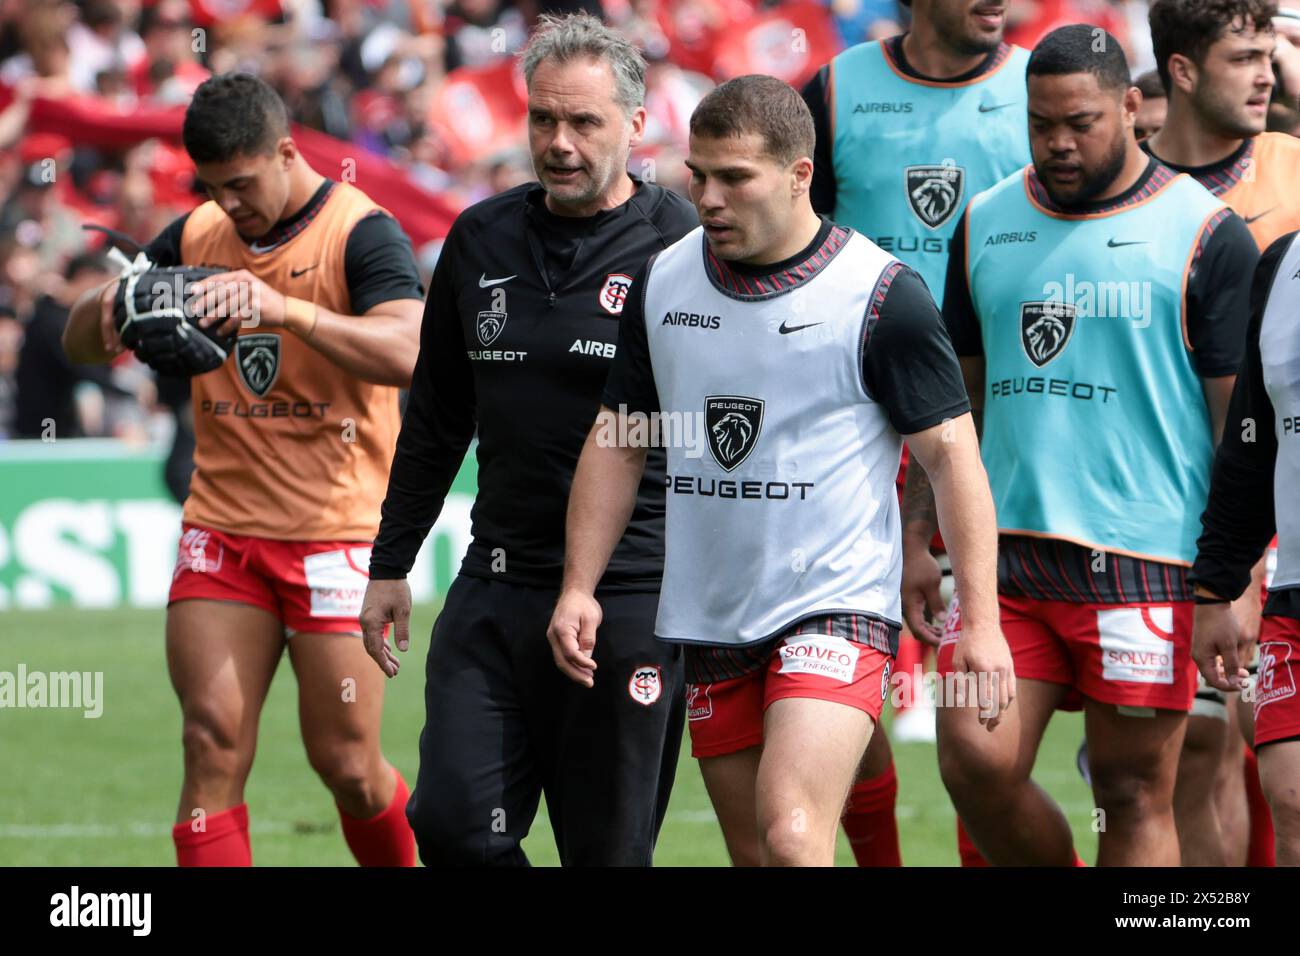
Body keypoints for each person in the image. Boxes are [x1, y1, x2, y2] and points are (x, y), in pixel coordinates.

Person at [547, 74, 1014, 867]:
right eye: (698, 175)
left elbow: (953, 458)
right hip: (710, 614)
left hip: (835, 607)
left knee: (794, 835)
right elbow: (621, 440)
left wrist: (985, 622)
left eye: (735, 176)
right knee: (761, 855)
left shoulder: (880, 295)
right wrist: (578, 586)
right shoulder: (663, 281)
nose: (709, 196)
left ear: (800, 174)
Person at [907, 25, 1259, 865]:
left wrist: (1233, 578)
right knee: (970, 759)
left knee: (1133, 795)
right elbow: (955, 406)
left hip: (1149, 561)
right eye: (1041, 123)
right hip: (1006, 564)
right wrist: (923, 534)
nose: (1059, 142)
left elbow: (1238, 430)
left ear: (1133, 108)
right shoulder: (985, 220)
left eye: (1083, 121)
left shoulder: (1207, 233)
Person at [62, 72, 426, 867]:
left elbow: (411, 351)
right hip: (222, 536)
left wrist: (283, 309)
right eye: (213, 188)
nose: (229, 204)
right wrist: (119, 306)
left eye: (242, 184)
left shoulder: (361, 233)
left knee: (351, 769)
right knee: (210, 743)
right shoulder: (195, 233)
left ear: (287, 152)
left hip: (337, 538)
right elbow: (77, 342)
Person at [359, 13, 696, 867]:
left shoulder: (685, 247)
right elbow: (437, 416)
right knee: (452, 828)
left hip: (631, 597)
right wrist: (391, 563)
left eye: (584, 121)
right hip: (496, 587)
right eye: (544, 119)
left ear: (634, 123)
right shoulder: (481, 237)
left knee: (608, 855)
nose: (560, 142)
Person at [802, 0, 1032, 861]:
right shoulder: (834, 91)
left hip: (996, 422)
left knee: (981, 707)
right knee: (832, 666)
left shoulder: (1036, 88)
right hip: (852, 424)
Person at [1142, 0, 1299, 866]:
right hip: (1178, 511)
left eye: (1270, 53)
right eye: (1244, 56)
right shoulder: (1125, 190)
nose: (1266, 73)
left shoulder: (1295, 168)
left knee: (1266, 745)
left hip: (1285, 508)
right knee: (1191, 753)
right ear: (1182, 70)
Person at [1189, 227, 1300, 867]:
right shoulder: (1283, 262)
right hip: (1293, 601)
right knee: (1293, 803)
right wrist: (1216, 588)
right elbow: (1250, 445)